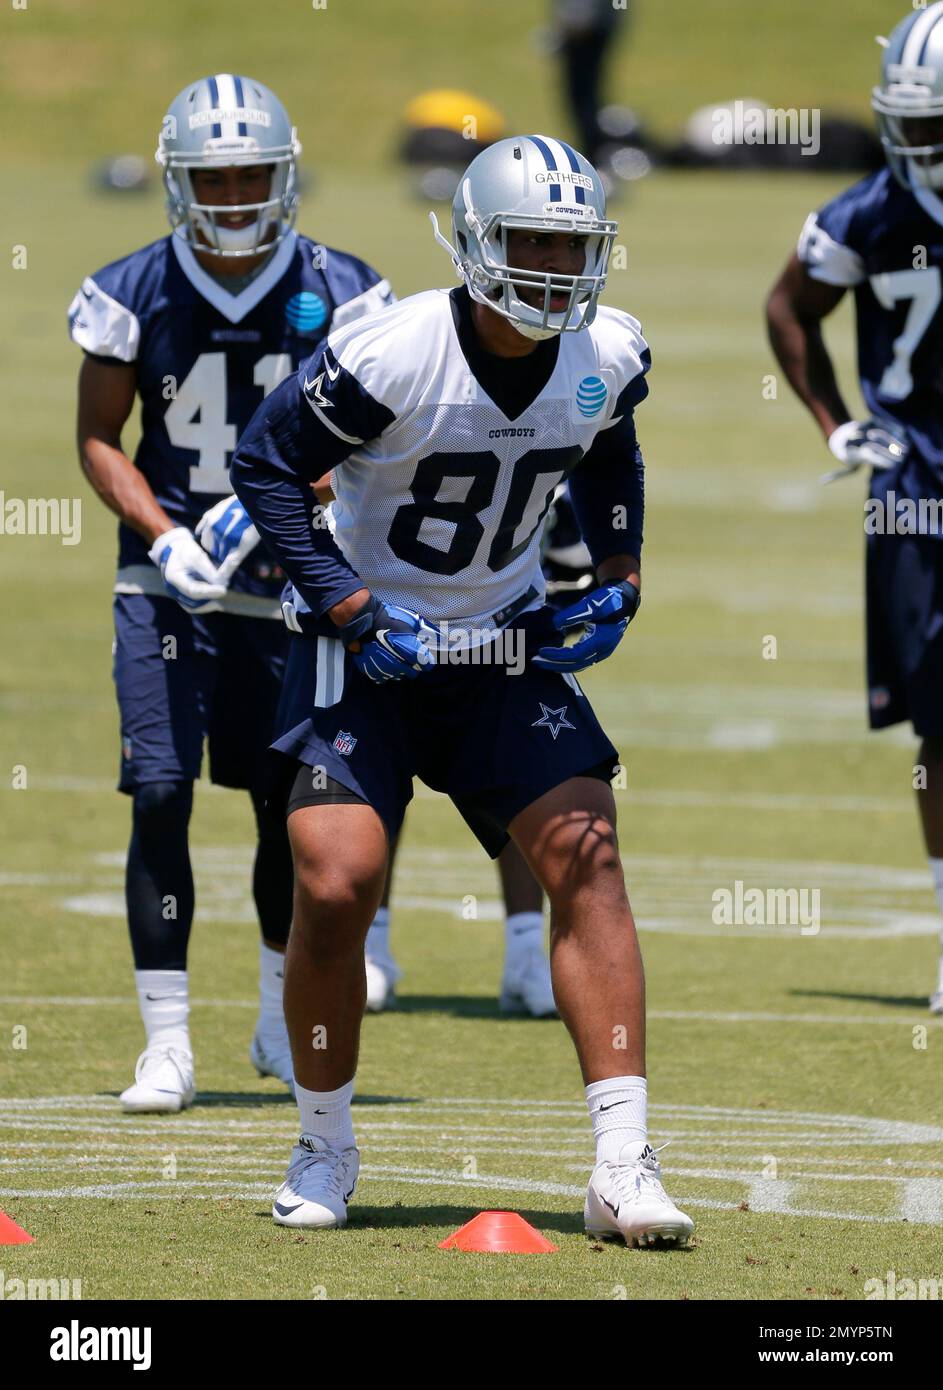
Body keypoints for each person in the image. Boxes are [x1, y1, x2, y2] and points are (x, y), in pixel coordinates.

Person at [233, 133, 694, 1245]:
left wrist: (621, 574)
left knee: (589, 856)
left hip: (501, 645)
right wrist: (348, 604)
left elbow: (611, 444)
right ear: (477, 241)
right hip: (368, 652)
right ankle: (325, 1141)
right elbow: (265, 463)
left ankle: (622, 1164)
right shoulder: (393, 353)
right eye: (530, 241)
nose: (551, 267)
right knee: (337, 886)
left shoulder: (607, 350)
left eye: (570, 246)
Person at [70, 73, 393, 1110]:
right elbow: (96, 438)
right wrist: (162, 540)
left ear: (286, 172)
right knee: (159, 793)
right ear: (178, 181)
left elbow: (376, 437)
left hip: (289, 580)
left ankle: (268, 1007)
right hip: (167, 585)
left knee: (277, 805)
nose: (237, 191)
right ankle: (165, 1041)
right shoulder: (133, 289)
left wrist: (274, 506)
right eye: (215, 175)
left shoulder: (341, 287)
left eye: (253, 171)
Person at [766, 4, 943, 1017]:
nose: (918, 148)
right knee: (940, 729)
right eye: (910, 124)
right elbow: (787, 304)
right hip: (917, 491)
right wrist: (834, 423)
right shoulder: (867, 214)